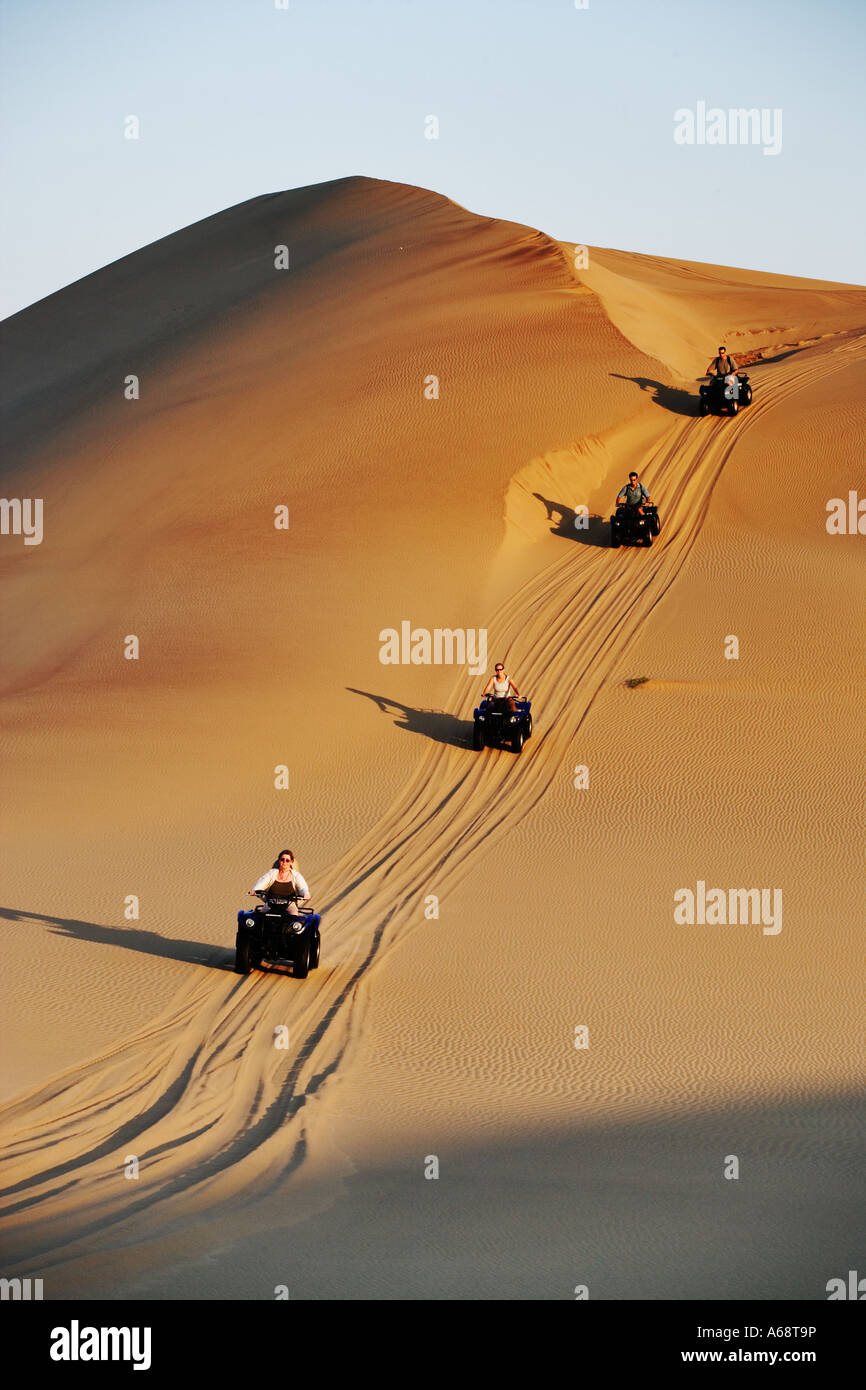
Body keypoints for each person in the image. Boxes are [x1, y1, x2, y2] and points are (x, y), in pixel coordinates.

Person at [249, 850, 311, 916]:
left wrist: (305, 894)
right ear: (279, 861)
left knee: (294, 917)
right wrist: (255, 890)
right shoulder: (272, 873)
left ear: (291, 862)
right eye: (282, 860)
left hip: (289, 904)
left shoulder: (296, 875)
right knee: (259, 917)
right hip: (271, 903)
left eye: (287, 860)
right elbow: (262, 881)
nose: (284, 862)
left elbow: (302, 887)